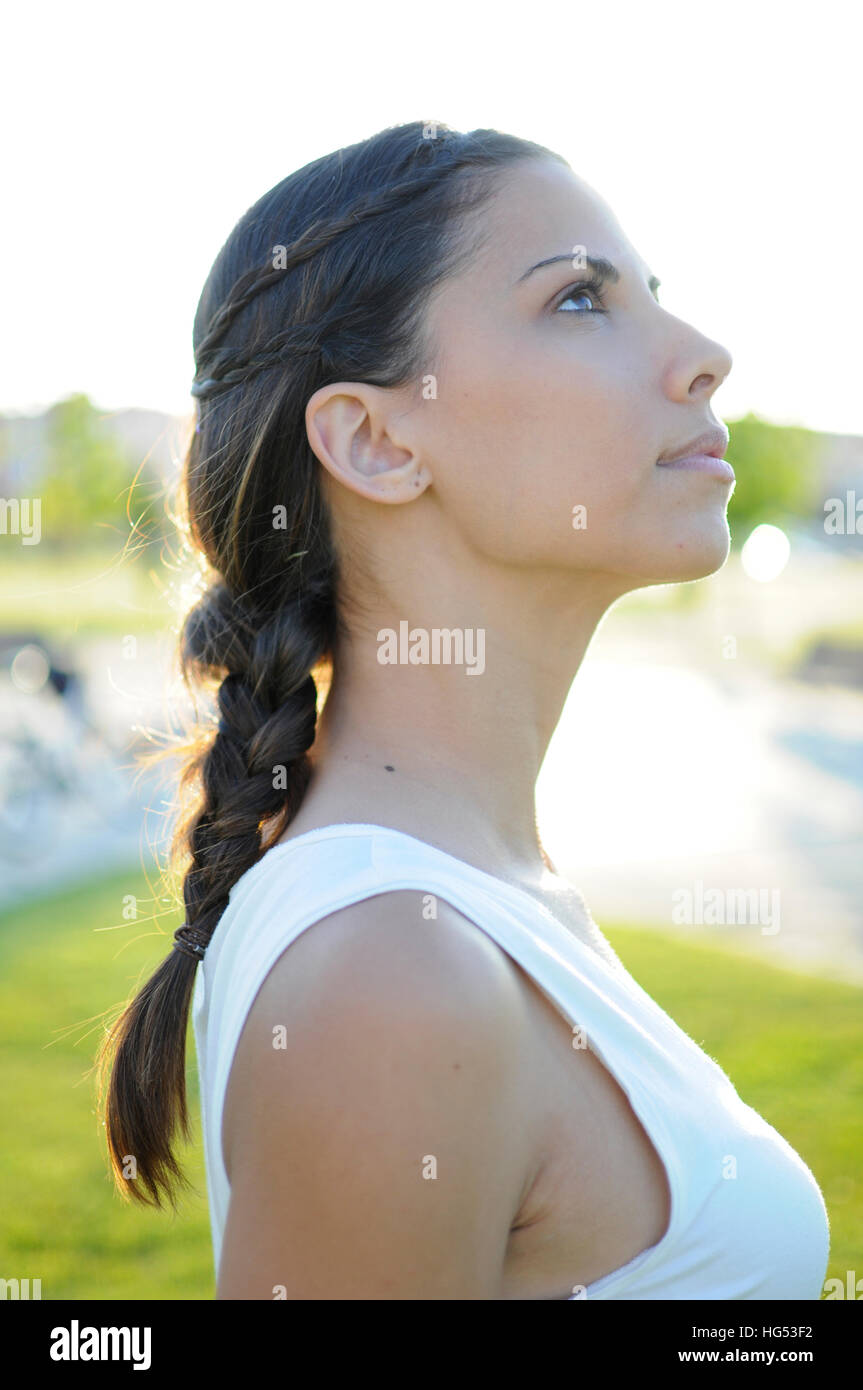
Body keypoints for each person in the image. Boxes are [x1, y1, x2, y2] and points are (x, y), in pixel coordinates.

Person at [99, 119, 830, 1300]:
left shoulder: (474, 893)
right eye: (580, 300)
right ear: (377, 439)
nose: (704, 354)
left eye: (651, 293)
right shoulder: (388, 974)